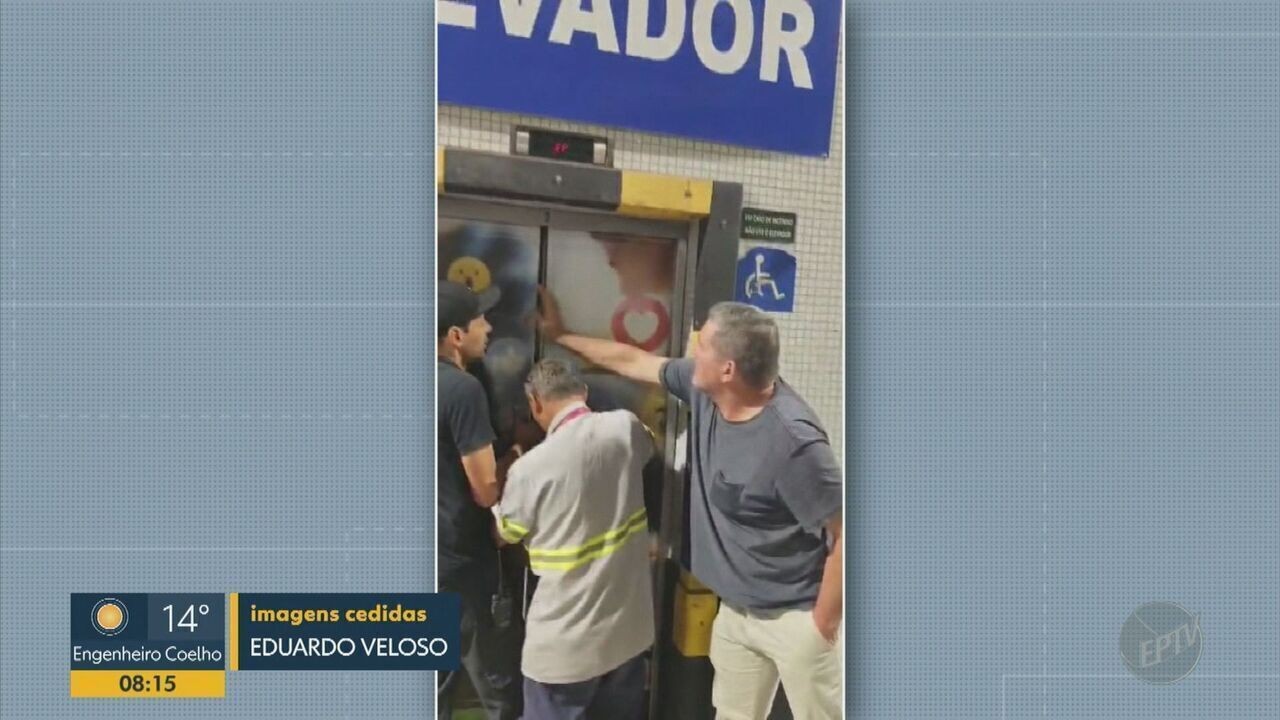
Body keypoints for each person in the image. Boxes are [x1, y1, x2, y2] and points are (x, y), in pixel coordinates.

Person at [540, 289, 844, 720]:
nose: (690, 351)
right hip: (737, 611)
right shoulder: (707, 391)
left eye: (701, 346)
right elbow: (631, 361)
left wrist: (822, 625)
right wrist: (562, 334)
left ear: (728, 369)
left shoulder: (792, 443)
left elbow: (846, 535)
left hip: (795, 615)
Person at [492, 359, 656, 720]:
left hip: (564, 645)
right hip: (628, 633)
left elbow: (505, 535)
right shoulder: (625, 427)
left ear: (535, 403)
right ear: (583, 393)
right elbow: (645, 453)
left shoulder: (530, 469)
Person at [436, 280, 522, 720]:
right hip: (463, 564)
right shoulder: (462, 390)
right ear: (455, 335)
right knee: (493, 682)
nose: (487, 327)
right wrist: (515, 460)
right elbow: (485, 488)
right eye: (479, 320)